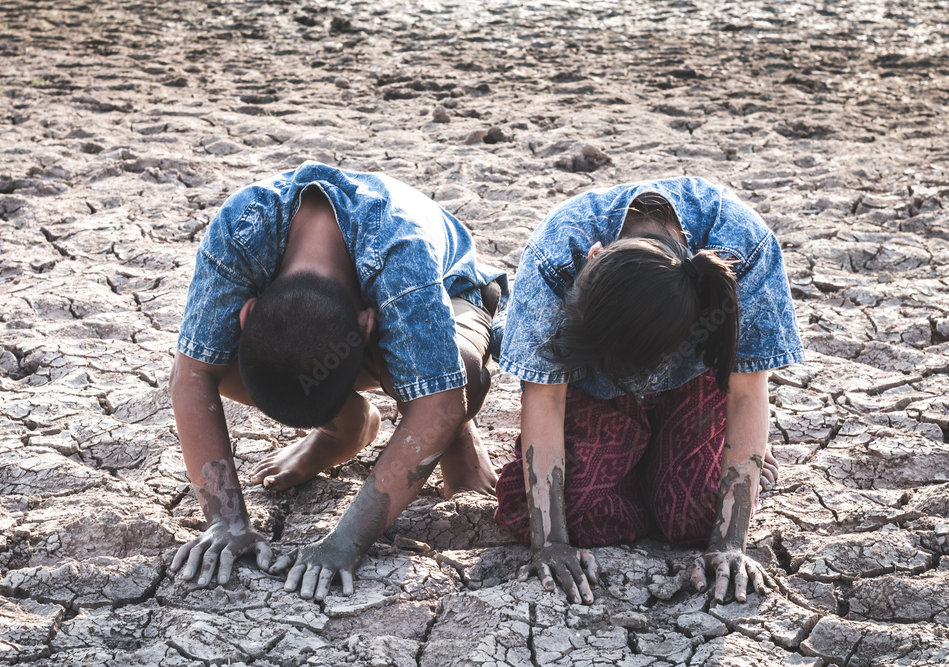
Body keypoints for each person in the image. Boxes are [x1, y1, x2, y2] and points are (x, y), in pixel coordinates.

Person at [167, 161, 505, 600]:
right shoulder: (242, 228)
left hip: (451, 291)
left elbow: (441, 402)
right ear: (248, 313)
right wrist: (225, 519)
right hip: (347, 322)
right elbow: (191, 374)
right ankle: (341, 430)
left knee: (457, 373)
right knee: (211, 351)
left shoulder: (400, 254)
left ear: (367, 329)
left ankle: (460, 437)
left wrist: (345, 542)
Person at [493, 180, 803, 605]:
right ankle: (641, 460)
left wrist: (730, 542)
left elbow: (747, 391)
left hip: (692, 385)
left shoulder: (744, 248)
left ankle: (671, 460)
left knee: (695, 516)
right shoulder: (556, 251)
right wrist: (550, 542)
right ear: (593, 258)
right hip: (594, 389)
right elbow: (545, 395)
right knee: (578, 515)